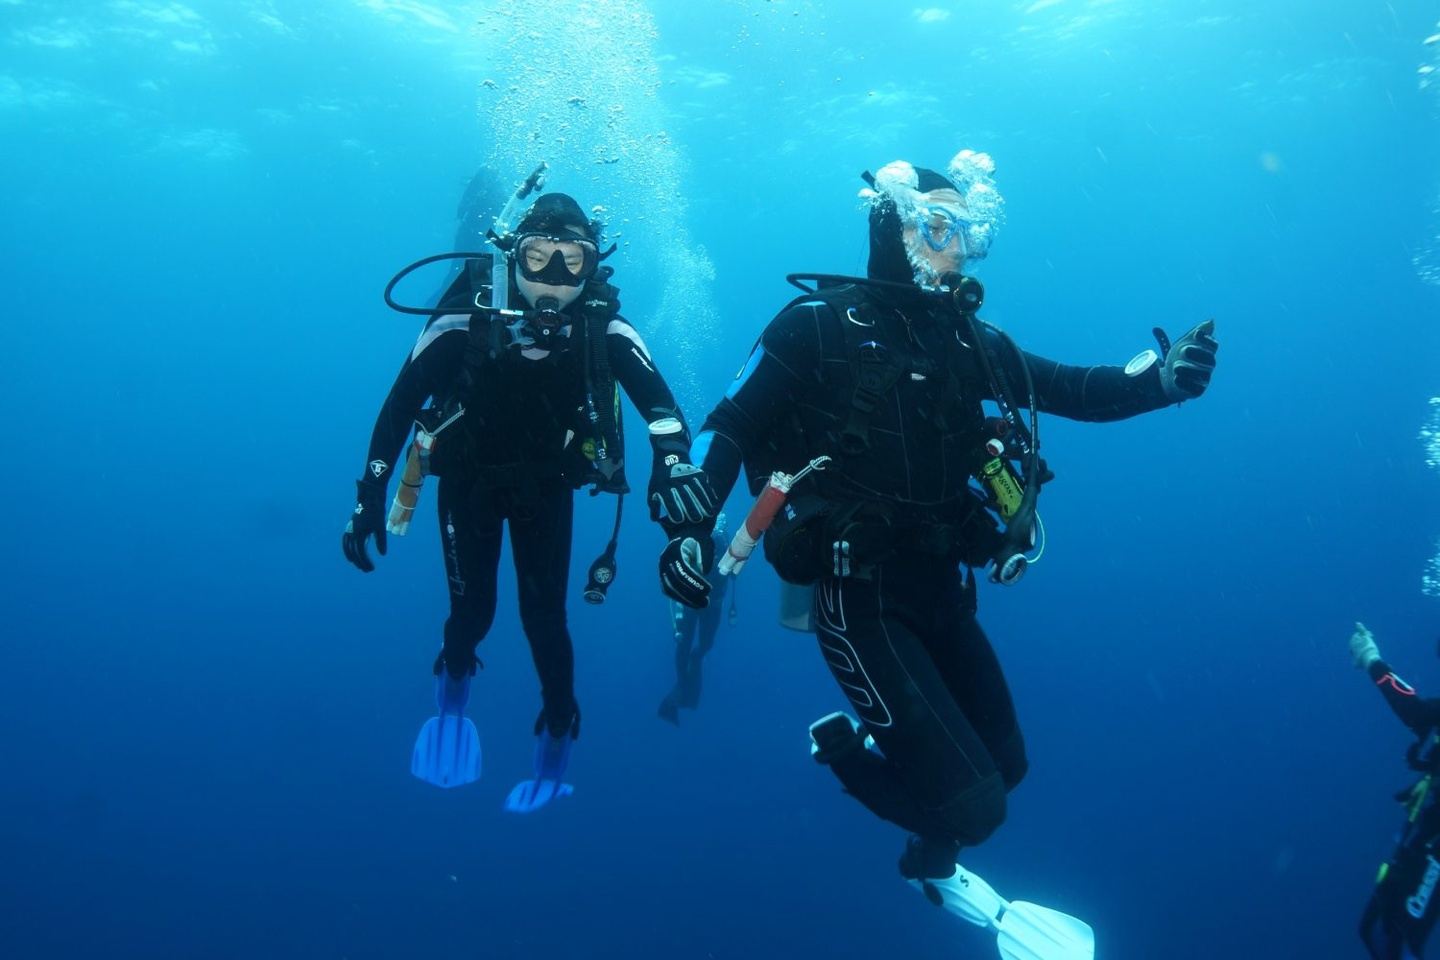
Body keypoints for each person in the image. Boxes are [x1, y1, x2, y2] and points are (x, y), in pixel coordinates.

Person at [658, 151, 1217, 959]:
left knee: (1010, 768)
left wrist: (1161, 379)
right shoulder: (814, 326)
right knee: (976, 807)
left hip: (939, 586)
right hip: (857, 598)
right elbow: (730, 424)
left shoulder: (973, 343)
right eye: (939, 225)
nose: (957, 248)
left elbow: (1074, 388)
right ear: (893, 225)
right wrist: (688, 528)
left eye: (970, 231)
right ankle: (848, 754)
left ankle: (929, 854)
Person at [342, 183, 716, 812]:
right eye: (538, 256)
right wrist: (370, 493)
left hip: (547, 486)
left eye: (573, 261)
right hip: (469, 482)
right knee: (472, 613)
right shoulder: (466, 319)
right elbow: (399, 405)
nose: (554, 277)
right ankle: (453, 699)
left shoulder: (604, 329)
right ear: (512, 258)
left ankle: (557, 734)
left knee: (546, 621)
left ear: (594, 266)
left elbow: (663, 413)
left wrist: (673, 465)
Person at [1351, 622, 1440, 959]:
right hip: (1428, 833)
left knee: (1394, 923)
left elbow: (1414, 710)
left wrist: (1372, 659)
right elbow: (1420, 713)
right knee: (1382, 923)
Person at [658, 513, 735, 725]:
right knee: (684, 642)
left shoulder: (722, 539)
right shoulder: (694, 538)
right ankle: (682, 686)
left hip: (712, 603)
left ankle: (686, 683)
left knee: (703, 646)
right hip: (693, 600)